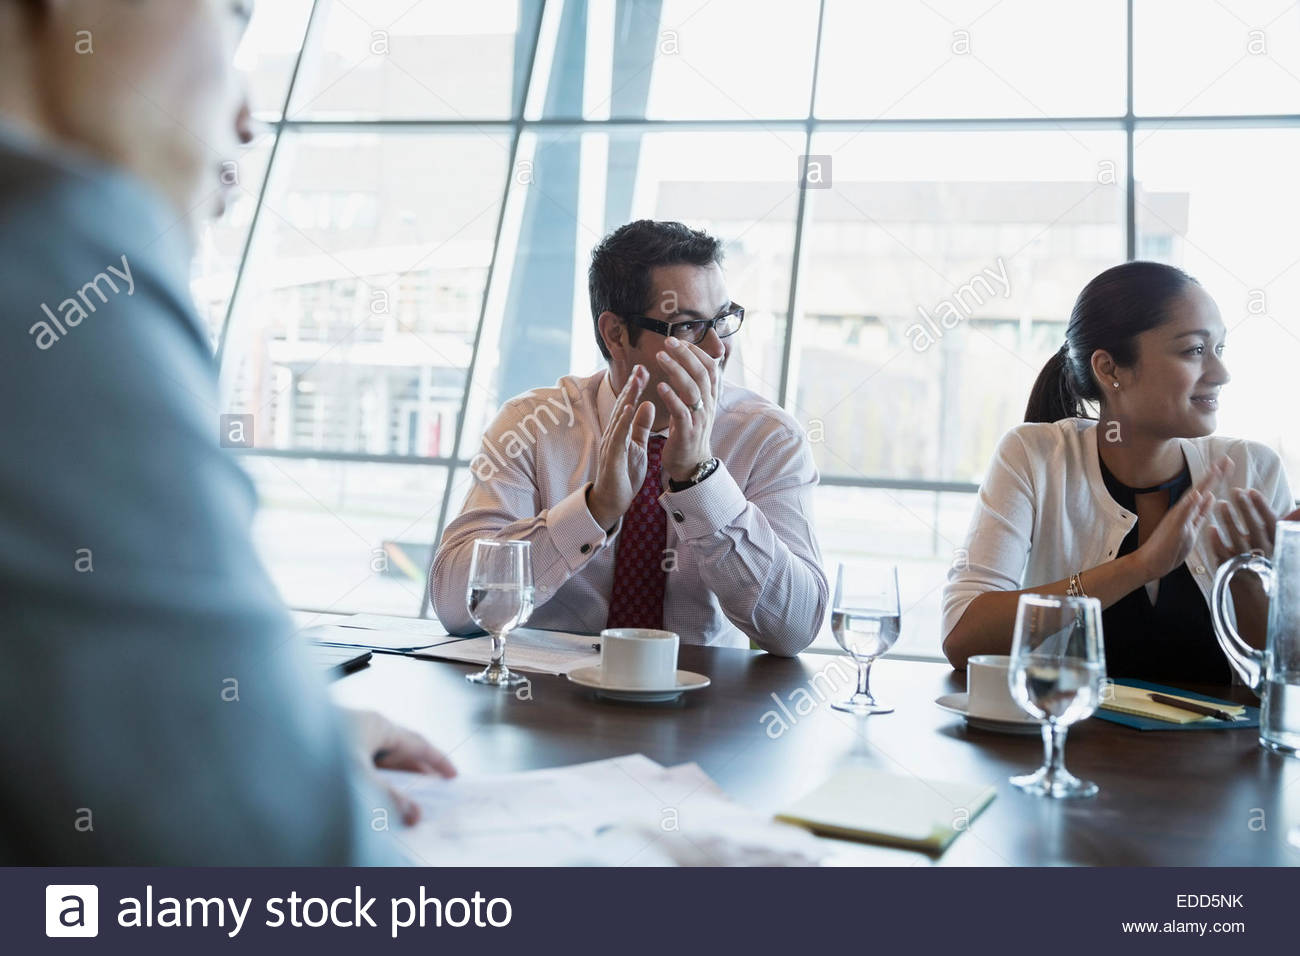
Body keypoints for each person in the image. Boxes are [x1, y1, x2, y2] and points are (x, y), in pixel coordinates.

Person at [0, 0, 451, 864]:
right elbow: (280, 874)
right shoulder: (51, 246)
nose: (247, 117)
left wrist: (287, 745)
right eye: (232, 21)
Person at [431, 220, 828, 656]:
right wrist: (594, 509)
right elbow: (454, 605)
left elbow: (796, 629)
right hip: (549, 703)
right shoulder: (533, 425)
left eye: (722, 319)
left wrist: (702, 480)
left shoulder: (768, 437)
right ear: (616, 335)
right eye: (689, 326)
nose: (718, 349)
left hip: (705, 706)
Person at [942, 261, 1297, 682]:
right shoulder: (1034, 456)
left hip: (1218, 749)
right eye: (1194, 351)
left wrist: (1247, 584)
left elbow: (1289, 681)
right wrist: (1139, 566)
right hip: (1062, 744)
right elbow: (964, 640)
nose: (1221, 374)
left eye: (1218, 349)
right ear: (1110, 369)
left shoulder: (1253, 472)